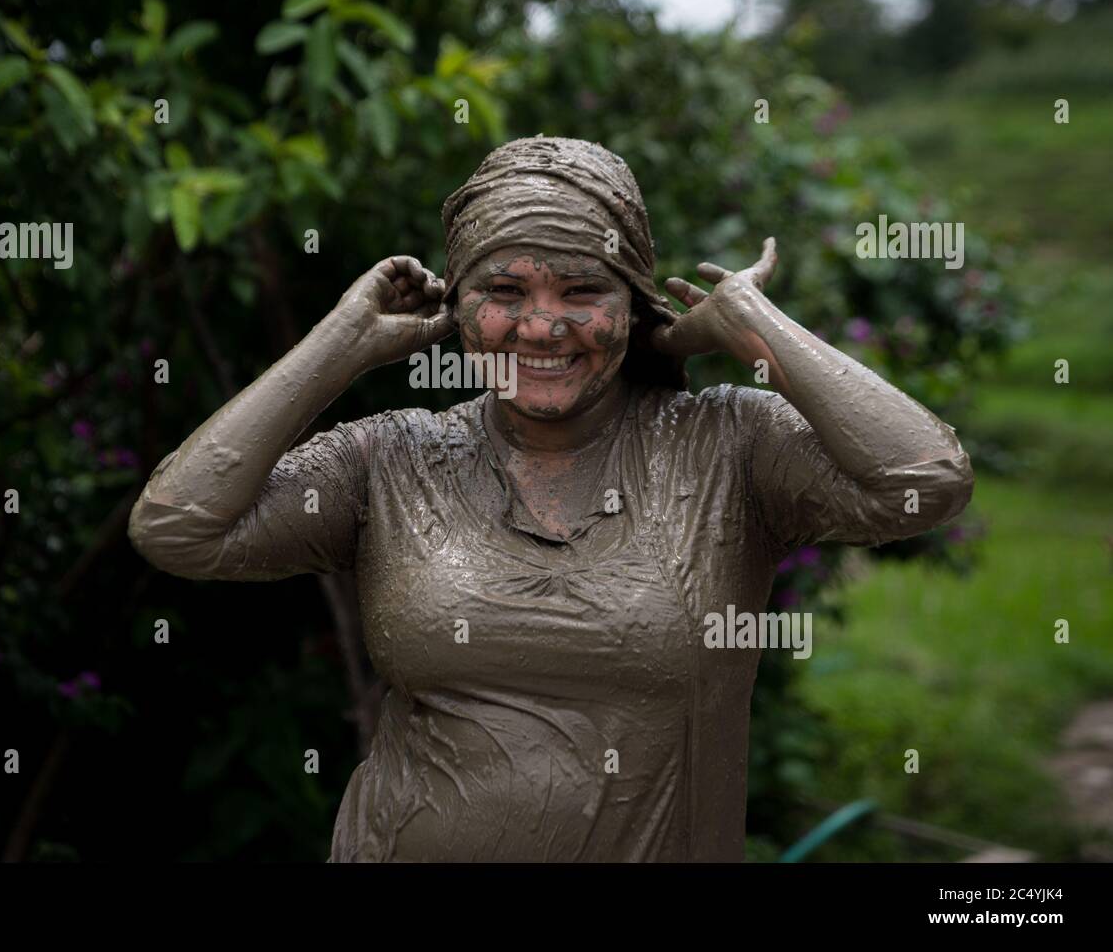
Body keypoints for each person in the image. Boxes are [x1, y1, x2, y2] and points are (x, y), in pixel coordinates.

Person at [127, 136, 974, 862]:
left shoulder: (728, 447)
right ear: (457, 306)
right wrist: (339, 346)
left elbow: (925, 480)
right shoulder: (390, 457)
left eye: (582, 291)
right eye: (504, 292)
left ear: (631, 303)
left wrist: (752, 326)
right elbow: (177, 527)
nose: (541, 326)